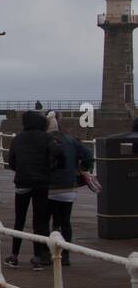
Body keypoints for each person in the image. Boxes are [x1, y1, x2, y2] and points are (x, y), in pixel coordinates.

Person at [6, 110, 61, 269]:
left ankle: (14, 256)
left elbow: (11, 162)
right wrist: (53, 166)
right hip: (42, 183)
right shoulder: (46, 137)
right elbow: (58, 152)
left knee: (19, 220)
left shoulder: (18, 139)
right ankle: (37, 257)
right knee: (39, 221)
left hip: (22, 183)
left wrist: (21, 170)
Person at [46, 112, 93, 265]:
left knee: (52, 220)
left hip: (50, 187)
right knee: (66, 221)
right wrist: (81, 169)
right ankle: (65, 255)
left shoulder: (46, 140)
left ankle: (52, 253)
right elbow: (88, 155)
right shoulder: (71, 140)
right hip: (69, 187)